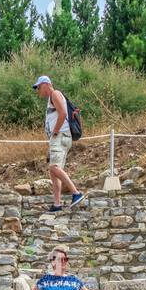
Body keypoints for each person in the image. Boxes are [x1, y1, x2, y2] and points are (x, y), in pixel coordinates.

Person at [33, 75, 84, 213]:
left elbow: (62, 114)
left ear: (45, 85)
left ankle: (76, 193)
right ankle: (57, 204)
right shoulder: (53, 97)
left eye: (38, 87)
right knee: (54, 171)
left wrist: (55, 133)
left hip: (60, 136)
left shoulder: (54, 94)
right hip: (60, 137)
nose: (38, 91)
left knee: (54, 168)